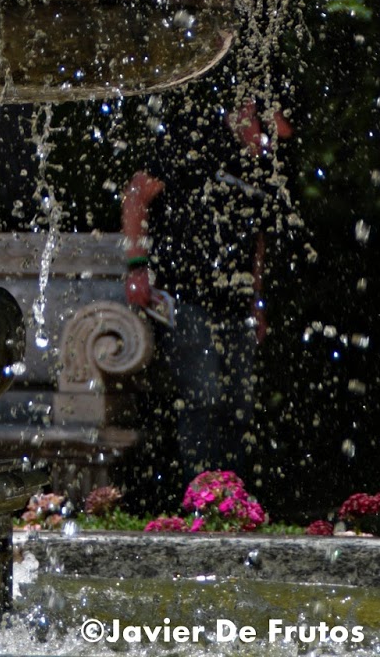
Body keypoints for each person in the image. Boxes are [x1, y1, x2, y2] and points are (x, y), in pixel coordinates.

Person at [120, 100, 292, 492]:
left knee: (239, 406)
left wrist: (256, 301)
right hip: (184, 295)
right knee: (204, 395)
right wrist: (137, 265)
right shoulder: (195, 140)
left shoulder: (264, 165)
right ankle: (200, 497)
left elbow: (258, 242)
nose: (270, 141)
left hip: (235, 306)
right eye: (267, 128)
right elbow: (135, 195)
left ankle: (234, 499)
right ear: (248, 112)